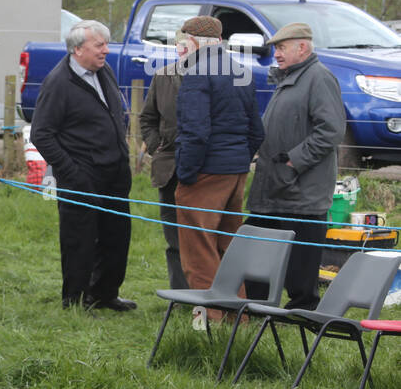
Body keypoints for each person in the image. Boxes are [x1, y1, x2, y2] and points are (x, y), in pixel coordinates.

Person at [30, 21, 136, 311]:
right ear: (77, 49)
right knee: (80, 241)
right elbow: (41, 134)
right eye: (99, 45)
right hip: (81, 176)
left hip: (114, 173)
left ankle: (104, 294)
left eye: (106, 44)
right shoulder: (58, 82)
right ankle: (74, 301)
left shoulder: (105, 71)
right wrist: (71, 171)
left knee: (117, 237)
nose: (106, 50)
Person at [246, 22, 345, 310]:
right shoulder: (289, 77)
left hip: (302, 189)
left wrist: (293, 161)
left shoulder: (319, 78)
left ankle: (302, 309)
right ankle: (256, 303)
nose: (275, 54)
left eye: (281, 47)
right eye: (275, 48)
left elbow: (331, 130)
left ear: (302, 47)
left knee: (302, 255)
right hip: (275, 186)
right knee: (257, 240)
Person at [173, 16, 263, 318]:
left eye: (184, 41)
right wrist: (238, 161)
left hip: (205, 173)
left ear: (194, 42)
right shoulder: (241, 71)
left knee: (198, 252)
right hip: (236, 172)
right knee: (227, 247)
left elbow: (195, 133)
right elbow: (256, 132)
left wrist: (186, 174)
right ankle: (240, 318)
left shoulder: (198, 74)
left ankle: (209, 324)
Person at [139, 32, 187, 291]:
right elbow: (147, 118)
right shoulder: (163, 76)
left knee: (204, 236)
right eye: (179, 45)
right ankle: (180, 293)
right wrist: (157, 145)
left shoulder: (216, 76)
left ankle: (209, 294)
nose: (182, 50)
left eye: (187, 44)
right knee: (174, 236)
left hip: (204, 171)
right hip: (168, 168)